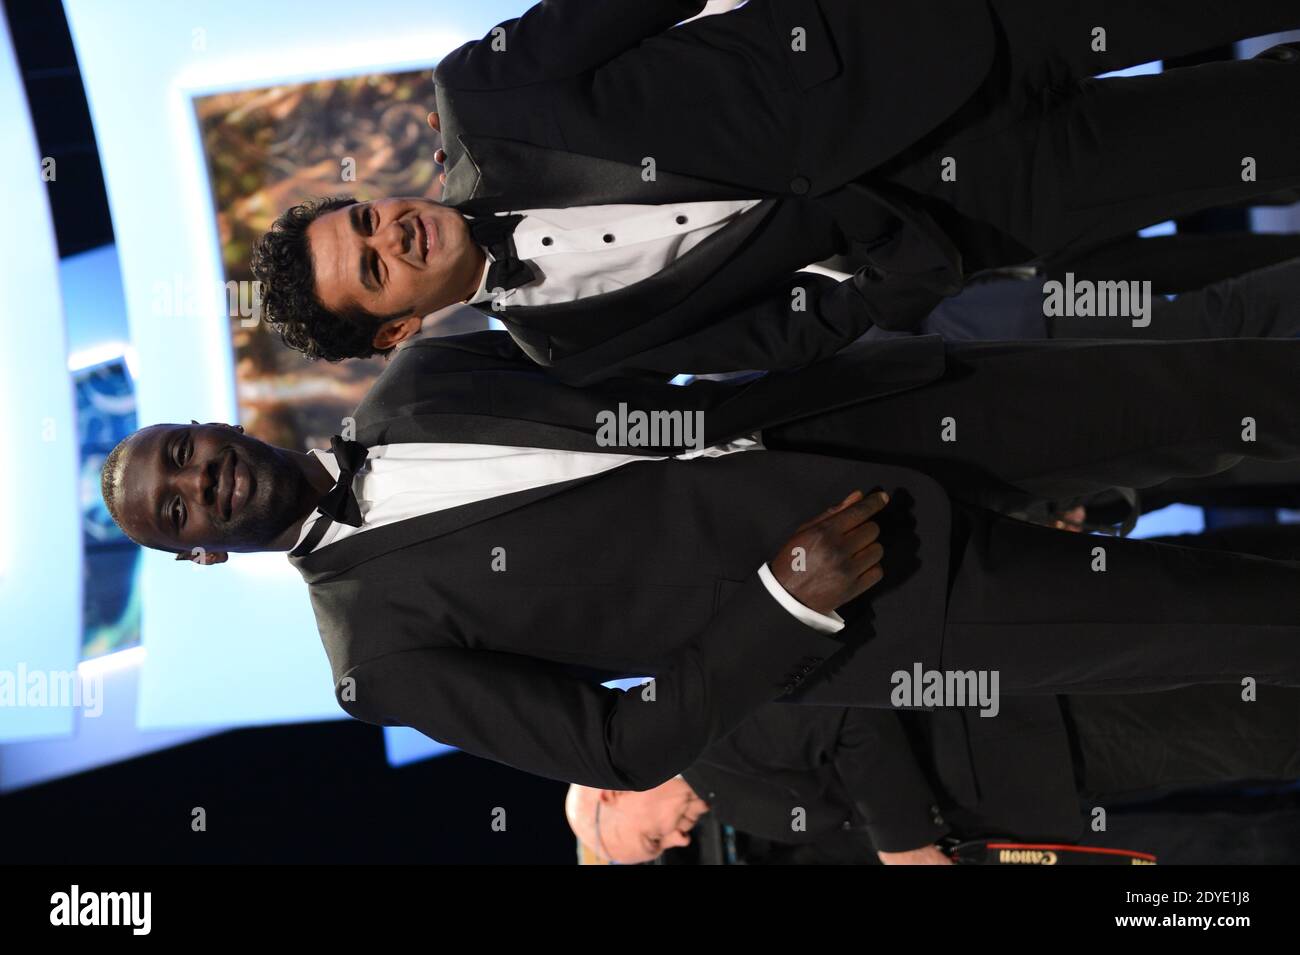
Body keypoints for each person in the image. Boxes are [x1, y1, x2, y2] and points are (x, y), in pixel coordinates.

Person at [100, 332, 1300, 788]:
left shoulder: (419, 379)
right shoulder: (376, 656)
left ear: (211, 423)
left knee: (1222, 387)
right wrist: (787, 600)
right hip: (885, 600)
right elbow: (616, 748)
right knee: (1234, 616)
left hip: (877, 412)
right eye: (177, 505)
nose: (201, 479)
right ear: (198, 551)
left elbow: (648, 344)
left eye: (182, 453)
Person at [251, 0, 1300, 381]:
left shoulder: (482, 97)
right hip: (983, 209)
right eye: (373, 269)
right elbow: (783, 337)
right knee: (1268, 134)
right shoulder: (569, 352)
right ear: (396, 333)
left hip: (947, 34)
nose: (393, 231)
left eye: (363, 219)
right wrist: (904, 275)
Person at [565, 684, 1300, 865]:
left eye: (651, 842)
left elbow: (849, 715)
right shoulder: (733, 801)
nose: (676, 845)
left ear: (611, 793)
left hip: (1030, 727)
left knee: (1256, 728)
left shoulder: (702, 732)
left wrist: (904, 845)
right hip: (1035, 778)